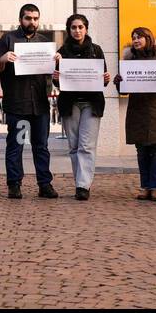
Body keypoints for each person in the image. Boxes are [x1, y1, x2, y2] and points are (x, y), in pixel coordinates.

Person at [0, 3, 57, 199]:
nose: (32, 22)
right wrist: (3, 59)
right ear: (21, 19)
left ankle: (44, 184)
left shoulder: (45, 42)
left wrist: (57, 62)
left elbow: (52, 74)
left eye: (35, 18)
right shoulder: (8, 39)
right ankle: (14, 184)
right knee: (16, 145)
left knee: (41, 146)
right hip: (17, 104)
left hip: (39, 105)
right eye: (28, 18)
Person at [116, 27, 156, 201]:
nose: (136, 40)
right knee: (142, 150)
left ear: (148, 38)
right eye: (133, 38)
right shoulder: (128, 61)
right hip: (138, 111)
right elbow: (124, 90)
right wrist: (118, 82)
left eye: (140, 37)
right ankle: (145, 187)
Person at [52, 13, 111, 201]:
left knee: (86, 146)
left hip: (91, 103)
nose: (77, 31)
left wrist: (106, 79)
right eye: (73, 27)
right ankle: (80, 181)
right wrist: (56, 78)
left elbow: (102, 78)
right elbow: (58, 83)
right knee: (74, 146)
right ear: (69, 30)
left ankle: (82, 185)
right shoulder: (62, 51)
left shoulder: (96, 50)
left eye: (80, 27)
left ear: (86, 29)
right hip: (70, 103)